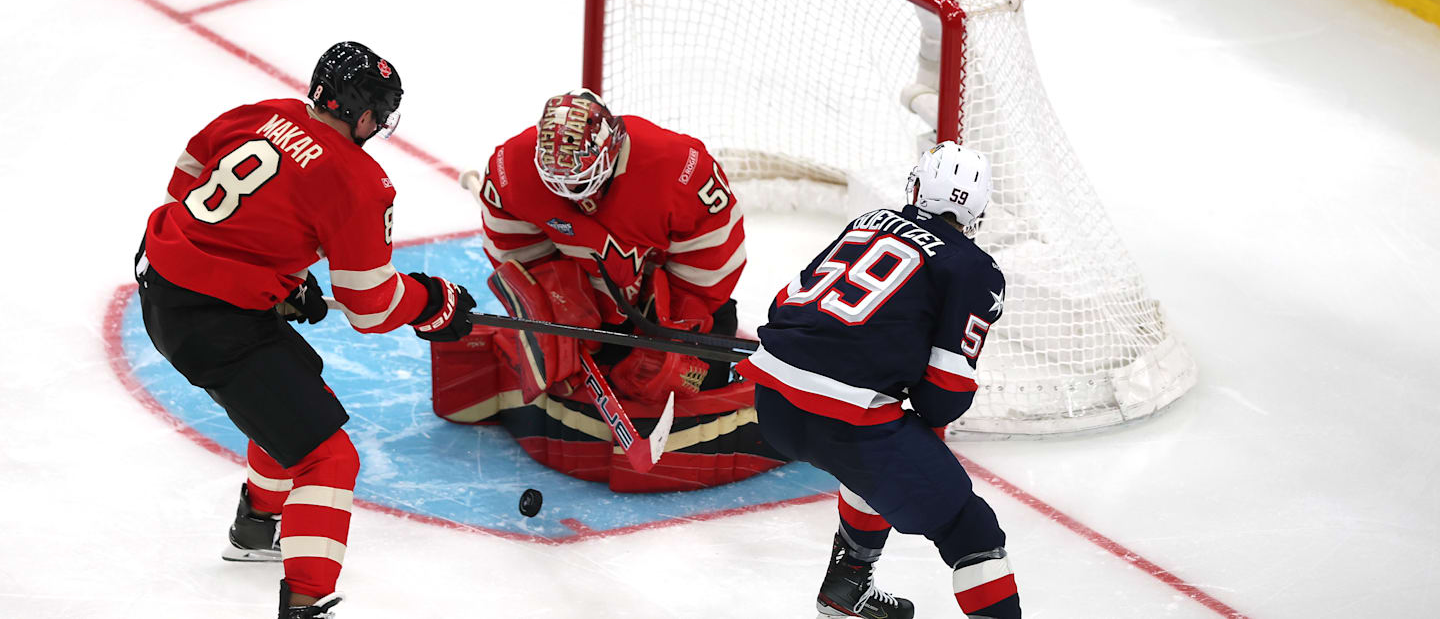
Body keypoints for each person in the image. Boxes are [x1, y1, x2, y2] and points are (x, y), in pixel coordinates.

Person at [134, 42, 477, 618]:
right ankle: (306, 605)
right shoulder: (358, 180)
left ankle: (258, 526)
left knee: (294, 387)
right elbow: (368, 306)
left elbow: (190, 173)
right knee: (330, 458)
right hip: (213, 322)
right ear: (365, 115)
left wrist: (266, 276)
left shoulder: (260, 114)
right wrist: (432, 303)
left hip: (160, 276)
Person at [736, 141, 1021, 619]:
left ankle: (847, 586)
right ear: (978, 210)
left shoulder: (868, 221)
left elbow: (784, 306)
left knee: (881, 446)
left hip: (774, 401)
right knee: (971, 529)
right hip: (845, 423)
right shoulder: (975, 267)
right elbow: (943, 399)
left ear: (916, 187)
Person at [469, 88, 747, 405]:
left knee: (684, 387)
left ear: (611, 147)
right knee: (567, 381)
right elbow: (515, 249)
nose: (569, 191)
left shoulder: (678, 166)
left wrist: (673, 328)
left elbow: (716, 251)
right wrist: (555, 307)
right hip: (593, 303)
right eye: (556, 181)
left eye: (580, 178)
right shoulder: (511, 168)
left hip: (664, 297)